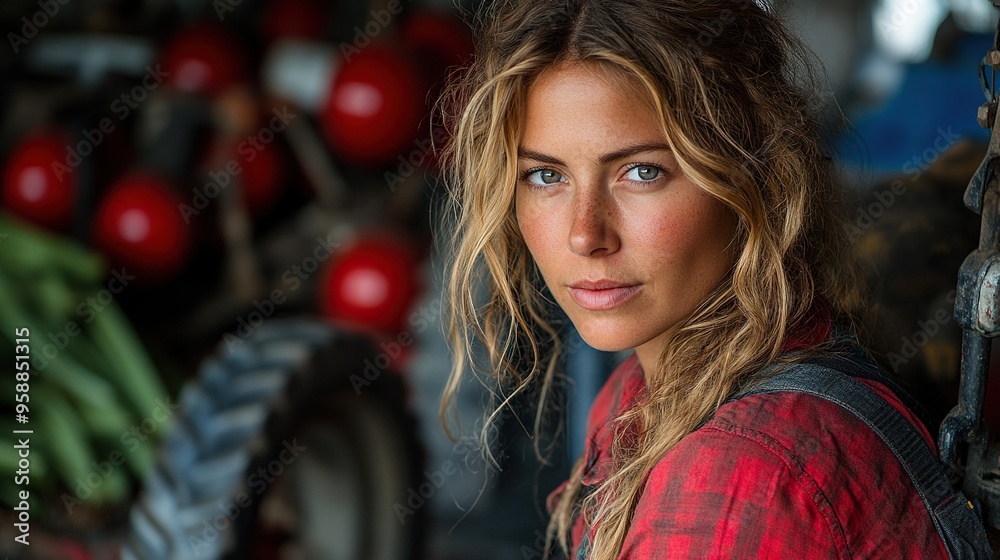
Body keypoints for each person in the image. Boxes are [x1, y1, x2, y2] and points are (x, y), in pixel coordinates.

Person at [437, 0, 992, 558]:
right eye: (545, 175)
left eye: (642, 172)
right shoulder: (639, 394)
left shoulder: (743, 470)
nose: (585, 234)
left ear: (753, 178)